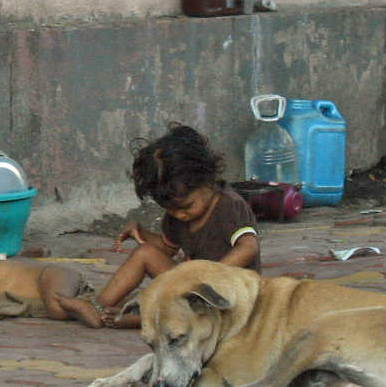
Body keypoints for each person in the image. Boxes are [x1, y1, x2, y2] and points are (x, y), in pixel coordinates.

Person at [88, 125, 261, 329]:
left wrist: (210, 276)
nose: (179, 215)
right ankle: (97, 307)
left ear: (206, 182)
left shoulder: (229, 206)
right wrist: (140, 233)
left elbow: (248, 248)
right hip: (192, 286)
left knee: (189, 307)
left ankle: (144, 318)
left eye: (186, 206)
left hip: (231, 293)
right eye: (170, 209)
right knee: (145, 253)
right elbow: (167, 247)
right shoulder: (177, 216)